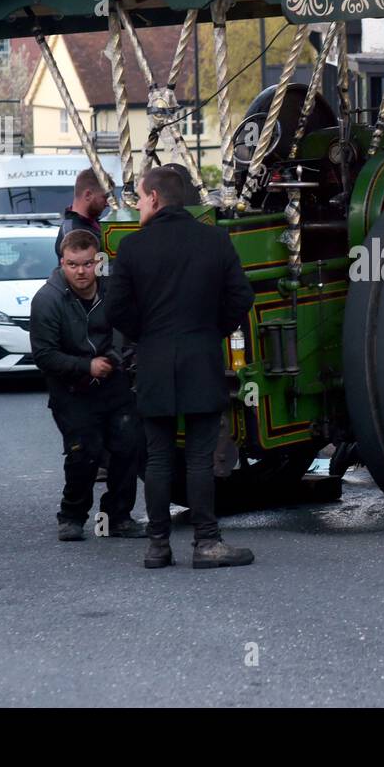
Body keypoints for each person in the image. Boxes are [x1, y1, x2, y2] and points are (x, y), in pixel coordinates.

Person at [106, 166, 255, 569]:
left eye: (138, 197)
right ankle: (207, 543)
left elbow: (116, 308)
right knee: (200, 458)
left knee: (157, 457)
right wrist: (211, 330)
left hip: (154, 361)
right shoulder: (215, 240)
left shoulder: (133, 248)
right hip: (202, 358)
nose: (136, 205)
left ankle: (158, 546)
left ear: (155, 198)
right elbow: (241, 297)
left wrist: (147, 335)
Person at [31, 229, 146, 541]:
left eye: (86, 264)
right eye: (72, 265)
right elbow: (43, 355)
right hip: (71, 390)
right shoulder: (47, 300)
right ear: (61, 263)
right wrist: (86, 365)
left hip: (114, 383)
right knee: (86, 452)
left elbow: (130, 331)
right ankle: (71, 515)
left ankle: (118, 517)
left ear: (97, 262)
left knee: (127, 446)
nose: (80, 271)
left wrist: (119, 358)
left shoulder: (112, 293)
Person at [55, 168, 108, 258]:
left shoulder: (94, 224)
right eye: (104, 197)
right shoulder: (72, 232)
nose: (107, 203)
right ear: (88, 195)